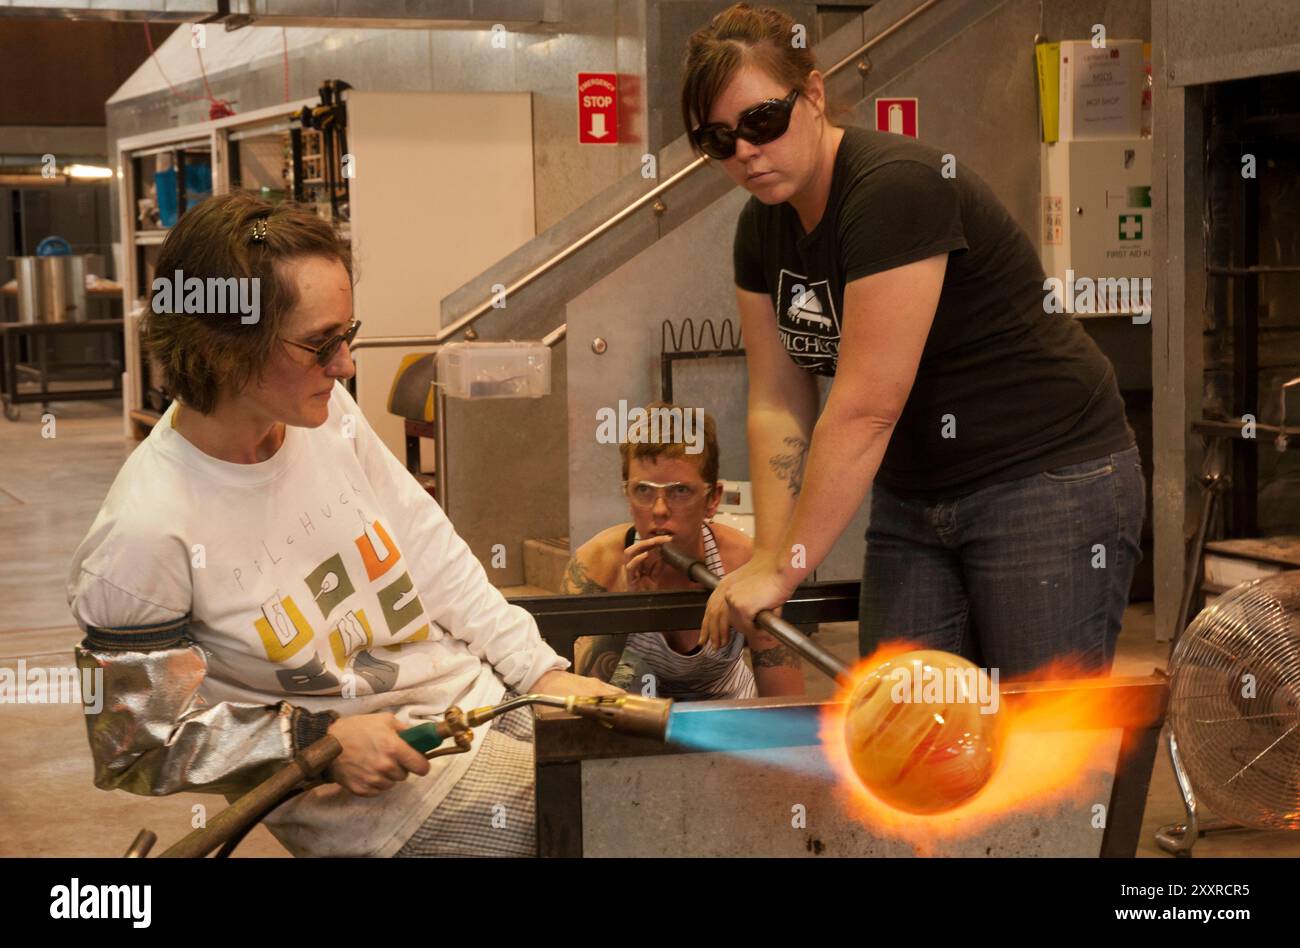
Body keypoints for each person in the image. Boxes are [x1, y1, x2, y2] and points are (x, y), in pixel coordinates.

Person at [68, 191, 618, 858]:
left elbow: (430, 550)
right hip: (388, 803)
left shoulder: (325, 418)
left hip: (480, 704)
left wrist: (540, 676)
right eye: (319, 344)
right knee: (618, 825)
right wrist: (313, 744)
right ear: (219, 348)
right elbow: (138, 747)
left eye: (347, 336)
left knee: (665, 779)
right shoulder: (144, 531)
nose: (346, 366)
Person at [685, 4, 1145, 678]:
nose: (746, 152)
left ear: (812, 94)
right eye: (718, 140)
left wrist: (785, 570)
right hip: (915, 492)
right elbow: (778, 399)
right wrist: (766, 553)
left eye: (761, 122)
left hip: (1045, 477)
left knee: (1038, 746)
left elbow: (868, 406)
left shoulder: (892, 189)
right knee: (903, 729)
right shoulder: (762, 228)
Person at [562, 403, 804, 699]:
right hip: (635, 713)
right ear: (627, 494)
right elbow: (577, 701)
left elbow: (787, 700)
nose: (659, 510)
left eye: (680, 491)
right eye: (643, 491)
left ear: (712, 499)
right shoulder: (597, 564)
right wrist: (627, 610)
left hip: (725, 712)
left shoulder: (744, 562)